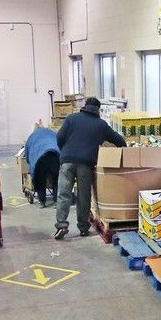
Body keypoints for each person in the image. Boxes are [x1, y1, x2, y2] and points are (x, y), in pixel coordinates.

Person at [53, 97, 126, 240]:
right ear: (98, 109)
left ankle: (62, 225)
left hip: (67, 161)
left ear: (85, 106)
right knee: (84, 196)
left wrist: (65, 151)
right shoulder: (101, 125)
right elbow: (119, 140)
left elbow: (59, 137)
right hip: (86, 164)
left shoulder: (72, 118)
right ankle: (83, 228)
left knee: (64, 193)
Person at [24, 125, 60, 207]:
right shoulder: (52, 132)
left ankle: (42, 202)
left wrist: (30, 163)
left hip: (40, 159)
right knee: (56, 179)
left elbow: (27, 152)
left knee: (40, 180)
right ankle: (56, 201)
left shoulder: (32, 136)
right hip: (55, 155)